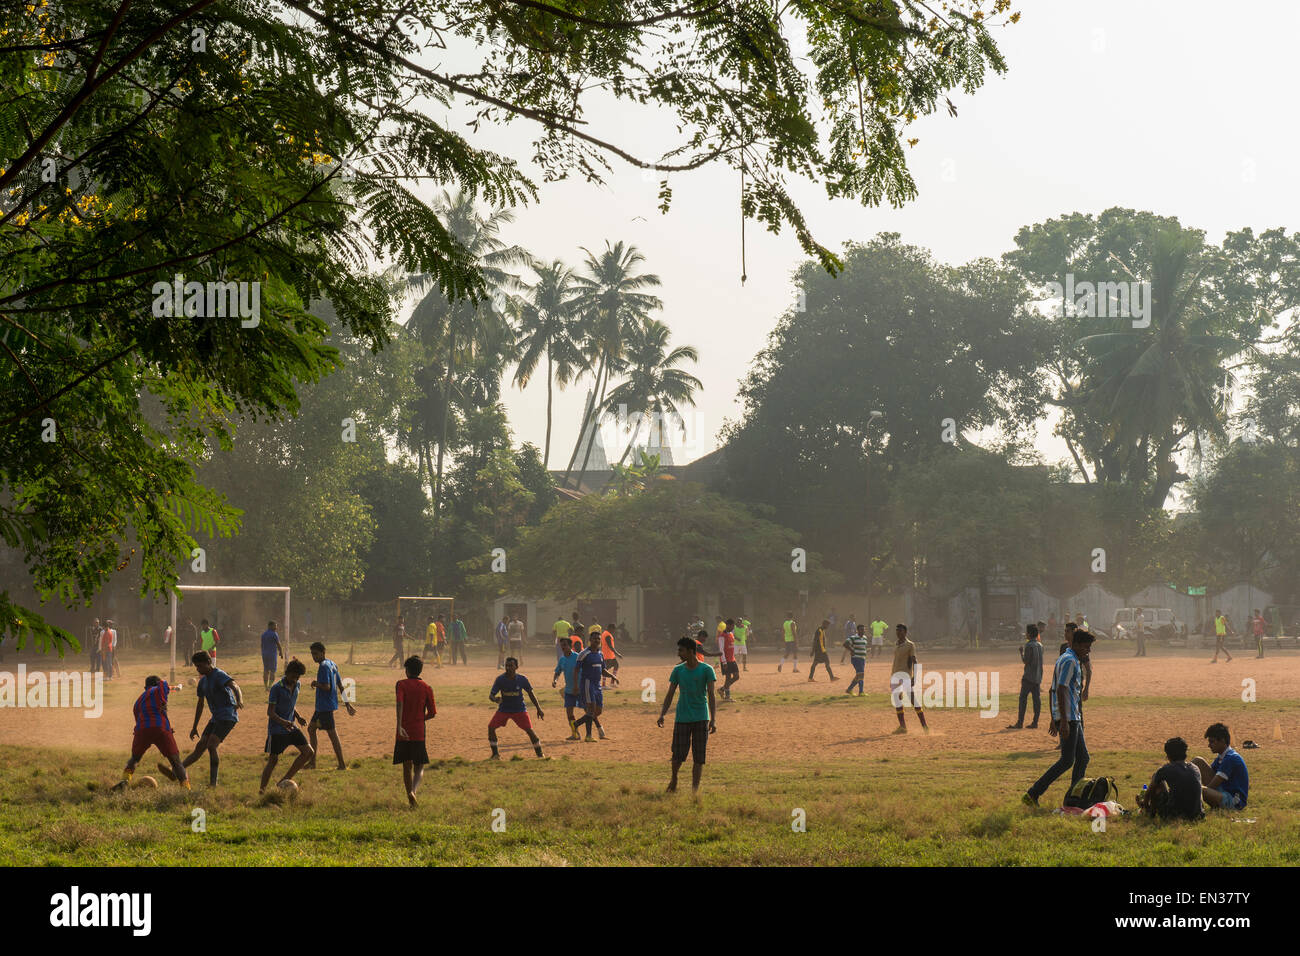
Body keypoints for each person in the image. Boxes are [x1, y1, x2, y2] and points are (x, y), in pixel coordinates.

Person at [1023, 629, 1095, 807]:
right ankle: (1034, 793)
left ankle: (1073, 797)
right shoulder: (1070, 661)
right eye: (1086, 647)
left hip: (1071, 715)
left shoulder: (1068, 658)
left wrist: (1054, 716)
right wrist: (1062, 720)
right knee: (1067, 760)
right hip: (1069, 716)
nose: (1088, 651)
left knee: (1082, 758)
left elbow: (1054, 689)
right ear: (1076, 644)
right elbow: (1061, 688)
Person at [162, 651, 244, 787]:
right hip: (216, 718)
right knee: (200, 747)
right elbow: (200, 705)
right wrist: (194, 727)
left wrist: (239, 699)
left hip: (228, 716)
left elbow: (234, 685)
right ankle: (176, 771)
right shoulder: (202, 682)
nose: (197, 669)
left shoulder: (219, 674)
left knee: (212, 746)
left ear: (208, 663)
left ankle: (213, 784)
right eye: (196, 666)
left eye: (199, 666)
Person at [657, 636, 717, 793]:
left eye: (681, 650)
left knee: (699, 757)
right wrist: (662, 714)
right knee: (677, 755)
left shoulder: (707, 670)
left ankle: (694, 791)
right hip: (682, 718)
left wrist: (713, 719)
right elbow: (670, 694)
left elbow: (711, 695)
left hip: (701, 718)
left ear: (691, 651)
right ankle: (674, 779)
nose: (678, 653)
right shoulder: (678, 670)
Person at [115, 675, 190, 791]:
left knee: (134, 758)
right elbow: (165, 687)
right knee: (175, 761)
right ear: (157, 683)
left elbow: (138, 720)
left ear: (145, 687)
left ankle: (124, 782)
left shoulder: (138, 701)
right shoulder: (160, 686)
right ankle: (186, 789)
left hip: (142, 729)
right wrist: (175, 687)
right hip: (160, 728)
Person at [260, 658, 314, 794]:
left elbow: (290, 704)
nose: (295, 679)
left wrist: (298, 716)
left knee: (308, 752)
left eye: (297, 677)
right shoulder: (276, 688)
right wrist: (284, 722)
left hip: (291, 727)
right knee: (273, 760)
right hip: (277, 730)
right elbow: (270, 712)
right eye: (293, 676)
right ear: (287, 672)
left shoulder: (298, 685)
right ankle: (262, 791)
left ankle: (283, 781)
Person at [306, 641, 356, 770]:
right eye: (312, 654)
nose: (314, 657)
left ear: (323, 652)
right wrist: (347, 704)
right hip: (323, 706)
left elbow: (327, 687)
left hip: (324, 707)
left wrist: (316, 683)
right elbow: (340, 684)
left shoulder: (323, 666)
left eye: (316, 654)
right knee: (311, 729)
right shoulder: (332, 664)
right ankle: (312, 763)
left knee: (332, 735)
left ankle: (341, 764)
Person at [394, 655, 436, 807]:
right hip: (418, 731)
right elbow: (432, 713)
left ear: (407, 670)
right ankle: (413, 791)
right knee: (419, 766)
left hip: (403, 731)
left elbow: (399, 703)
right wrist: (420, 719)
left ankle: (408, 796)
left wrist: (399, 725)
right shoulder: (427, 687)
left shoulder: (400, 685)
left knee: (407, 765)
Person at [488, 657, 546, 759]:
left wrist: (538, 708)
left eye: (511, 665)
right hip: (504, 709)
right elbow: (491, 695)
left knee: (530, 731)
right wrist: (495, 699)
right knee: (491, 727)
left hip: (519, 710)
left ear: (516, 667)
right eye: (506, 665)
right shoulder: (500, 679)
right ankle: (495, 755)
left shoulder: (522, 679)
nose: (508, 668)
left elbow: (531, 693)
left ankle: (540, 755)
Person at [1136, 737, 1203, 821]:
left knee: (1157, 780)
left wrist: (1145, 803)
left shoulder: (1166, 769)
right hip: (1197, 814)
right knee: (1161, 781)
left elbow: (1149, 792)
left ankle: (1149, 811)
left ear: (1168, 755)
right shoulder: (1195, 768)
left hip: (1174, 815)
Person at [1191, 723, 1249, 811]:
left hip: (1233, 802)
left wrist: (1191, 789)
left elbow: (1212, 786)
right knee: (1198, 761)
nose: (1209, 745)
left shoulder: (1231, 758)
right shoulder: (1222, 757)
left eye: (1212, 742)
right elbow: (1210, 777)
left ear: (1222, 741)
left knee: (1200, 790)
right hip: (1224, 792)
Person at [889, 624, 929, 734]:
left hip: (906, 676)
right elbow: (895, 662)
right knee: (897, 701)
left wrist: (914, 677)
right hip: (895, 676)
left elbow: (915, 661)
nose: (898, 633)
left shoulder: (910, 645)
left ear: (905, 632)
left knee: (913, 700)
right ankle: (903, 727)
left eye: (900, 631)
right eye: (897, 631)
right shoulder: (896, 644)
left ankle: (924, 726)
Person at [1007, 623, 1043, 729]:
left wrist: (1021, 653)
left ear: (1030, 634)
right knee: (1036, 700)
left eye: (1026, 632)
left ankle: (1020, 722)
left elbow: (1026, 661)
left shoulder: (1029, 645)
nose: (1025, 634)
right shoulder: (1040, 645)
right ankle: (1035, 722)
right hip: (1037, 676)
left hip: (1028, 677)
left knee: (1023, 699)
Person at [574, 630, 607, 741]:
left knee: (598, 711)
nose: (597, 640)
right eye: (595, 639)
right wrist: (576, 686)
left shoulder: (600, 654)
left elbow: (603, 670)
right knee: (591, 710)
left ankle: (576, 723)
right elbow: (576, 670)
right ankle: (589, 736)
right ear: (590, 640)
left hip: (597, 686)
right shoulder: (584, 653)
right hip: (588, 684)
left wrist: (613, 676)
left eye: (598, 639)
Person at [552, 636, 582, 740]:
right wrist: (555, 680)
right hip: (569, 690)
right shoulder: (562, 659)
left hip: (580, 690)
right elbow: (558, 671)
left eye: (565, 645)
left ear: (570, 646)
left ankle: (591, 732)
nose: (563, 647)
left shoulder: (578, 657)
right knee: (569, 713)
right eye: (561, 646)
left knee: (589, 712)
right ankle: (575, 734)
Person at [843, 623, 868, 696]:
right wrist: (852, 650)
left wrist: (865, 651)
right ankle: (861, 692)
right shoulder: (853, 637)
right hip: (856, 659)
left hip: (862, 659)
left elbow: (863, 647)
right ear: (857, 630)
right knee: (861, 674)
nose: (863, 631)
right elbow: (845, 644)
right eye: (861, 630)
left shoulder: (865, 638)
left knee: (858, 675)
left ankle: (849, 689)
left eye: (864, 629)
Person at [718, 618, 740, 700]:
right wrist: (724, 662)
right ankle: (727, 696)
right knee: (728, 678)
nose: (733, 627)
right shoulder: (722, 636)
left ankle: (722, 689)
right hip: (726, 660)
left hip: (732, 659)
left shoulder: (731, 634)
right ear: (728, 625)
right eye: (732, 626)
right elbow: (721, 650)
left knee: (736, 676)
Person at [260, 620, 284, 691]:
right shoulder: (274, 634)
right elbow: (278, 644)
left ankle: (265, 686)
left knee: (266, 670)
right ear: (270, 626)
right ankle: (269, 686)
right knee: (273, 671)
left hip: (264, 654)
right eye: (275, 625)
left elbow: (261, 645)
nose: (276, 627)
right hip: (272, 654)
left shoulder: (263, 634)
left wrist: (263, 652)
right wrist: (281, 652)